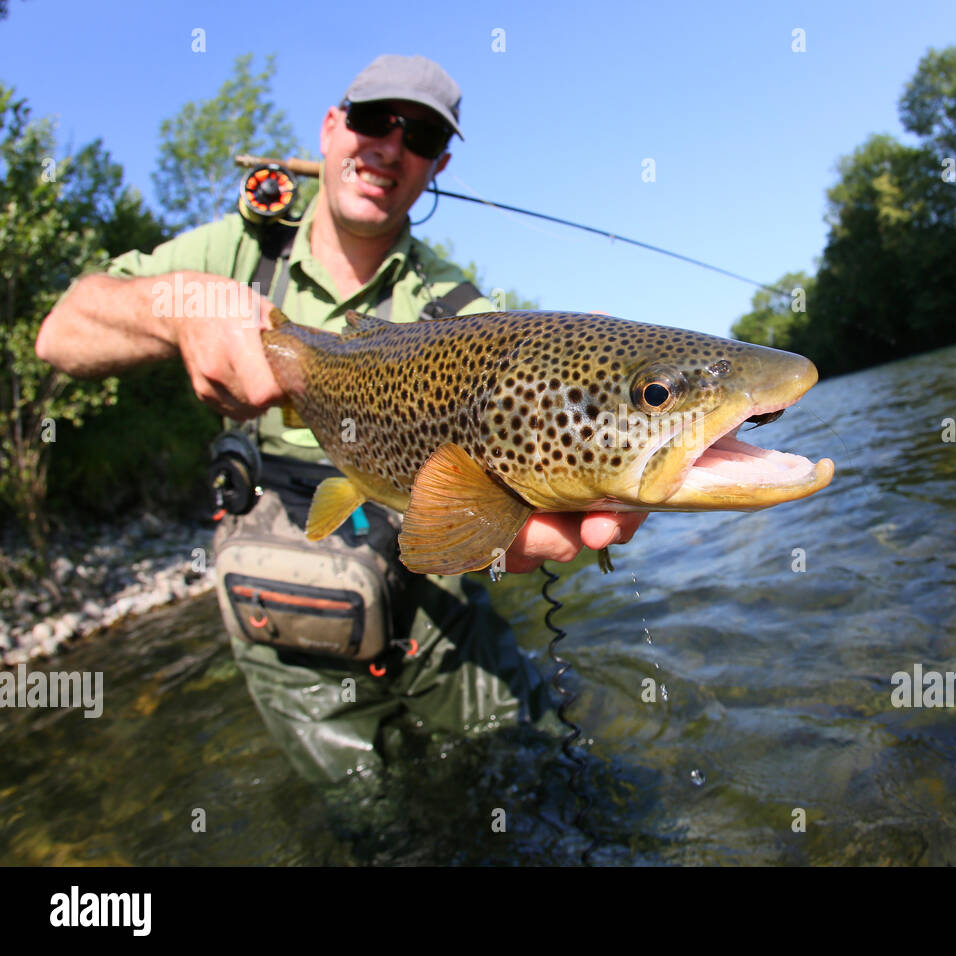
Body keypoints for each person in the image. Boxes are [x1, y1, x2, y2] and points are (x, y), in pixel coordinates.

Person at [36, 54, 645, 784]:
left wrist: (597, 376)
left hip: (431, 595)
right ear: (332, 128)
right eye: (372, 120)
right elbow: (60, 334)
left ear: (437, 165)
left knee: (533, 772)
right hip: (285, 605)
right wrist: (174, 304)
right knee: (369, 820)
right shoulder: (237, 252)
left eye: (418, 136)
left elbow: (523, 444)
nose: (390, 146)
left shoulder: (457, 310)